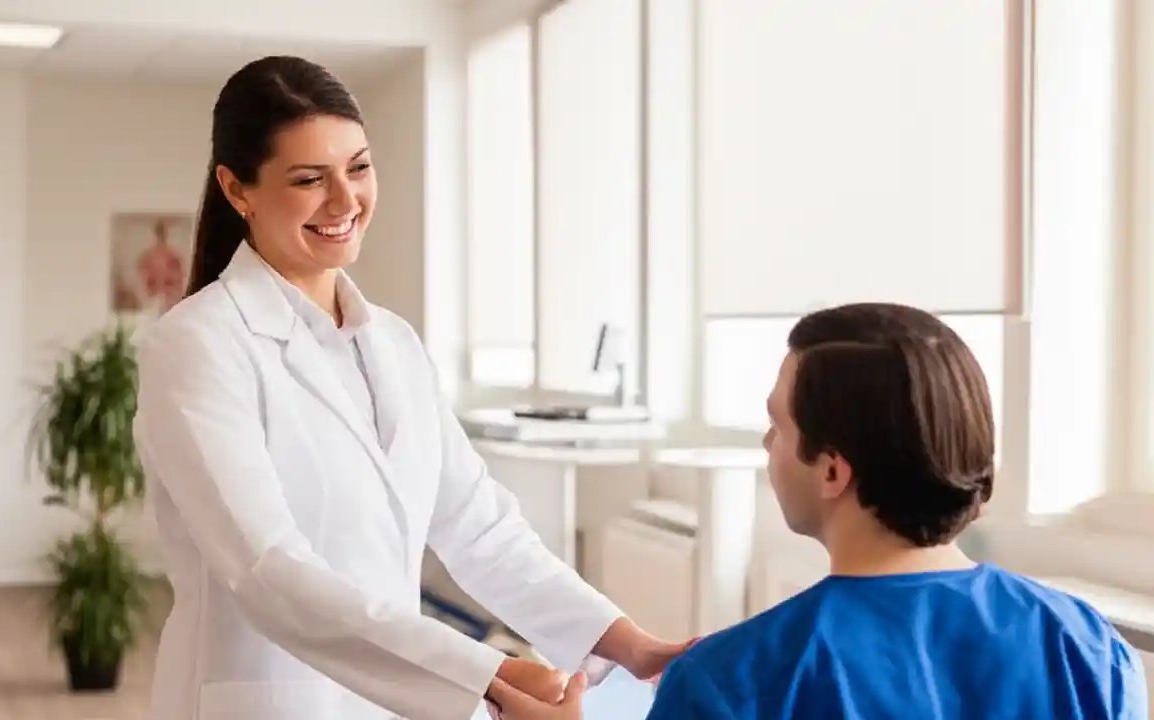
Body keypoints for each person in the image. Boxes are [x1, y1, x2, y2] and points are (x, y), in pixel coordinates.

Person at [132, 55, 691, 720]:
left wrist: (626, 644)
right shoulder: (197, 345)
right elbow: (267, 571)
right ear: (237, 189)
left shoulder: (393, 343)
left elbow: (479, 529)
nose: (345, 202)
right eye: (310, 179)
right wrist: (487, 673)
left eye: (359, 168)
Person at [490, 303, 1148, 719]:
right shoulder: (1086, 647)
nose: (767, 443)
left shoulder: (733, 680)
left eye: (776, 424)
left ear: (832, 470)